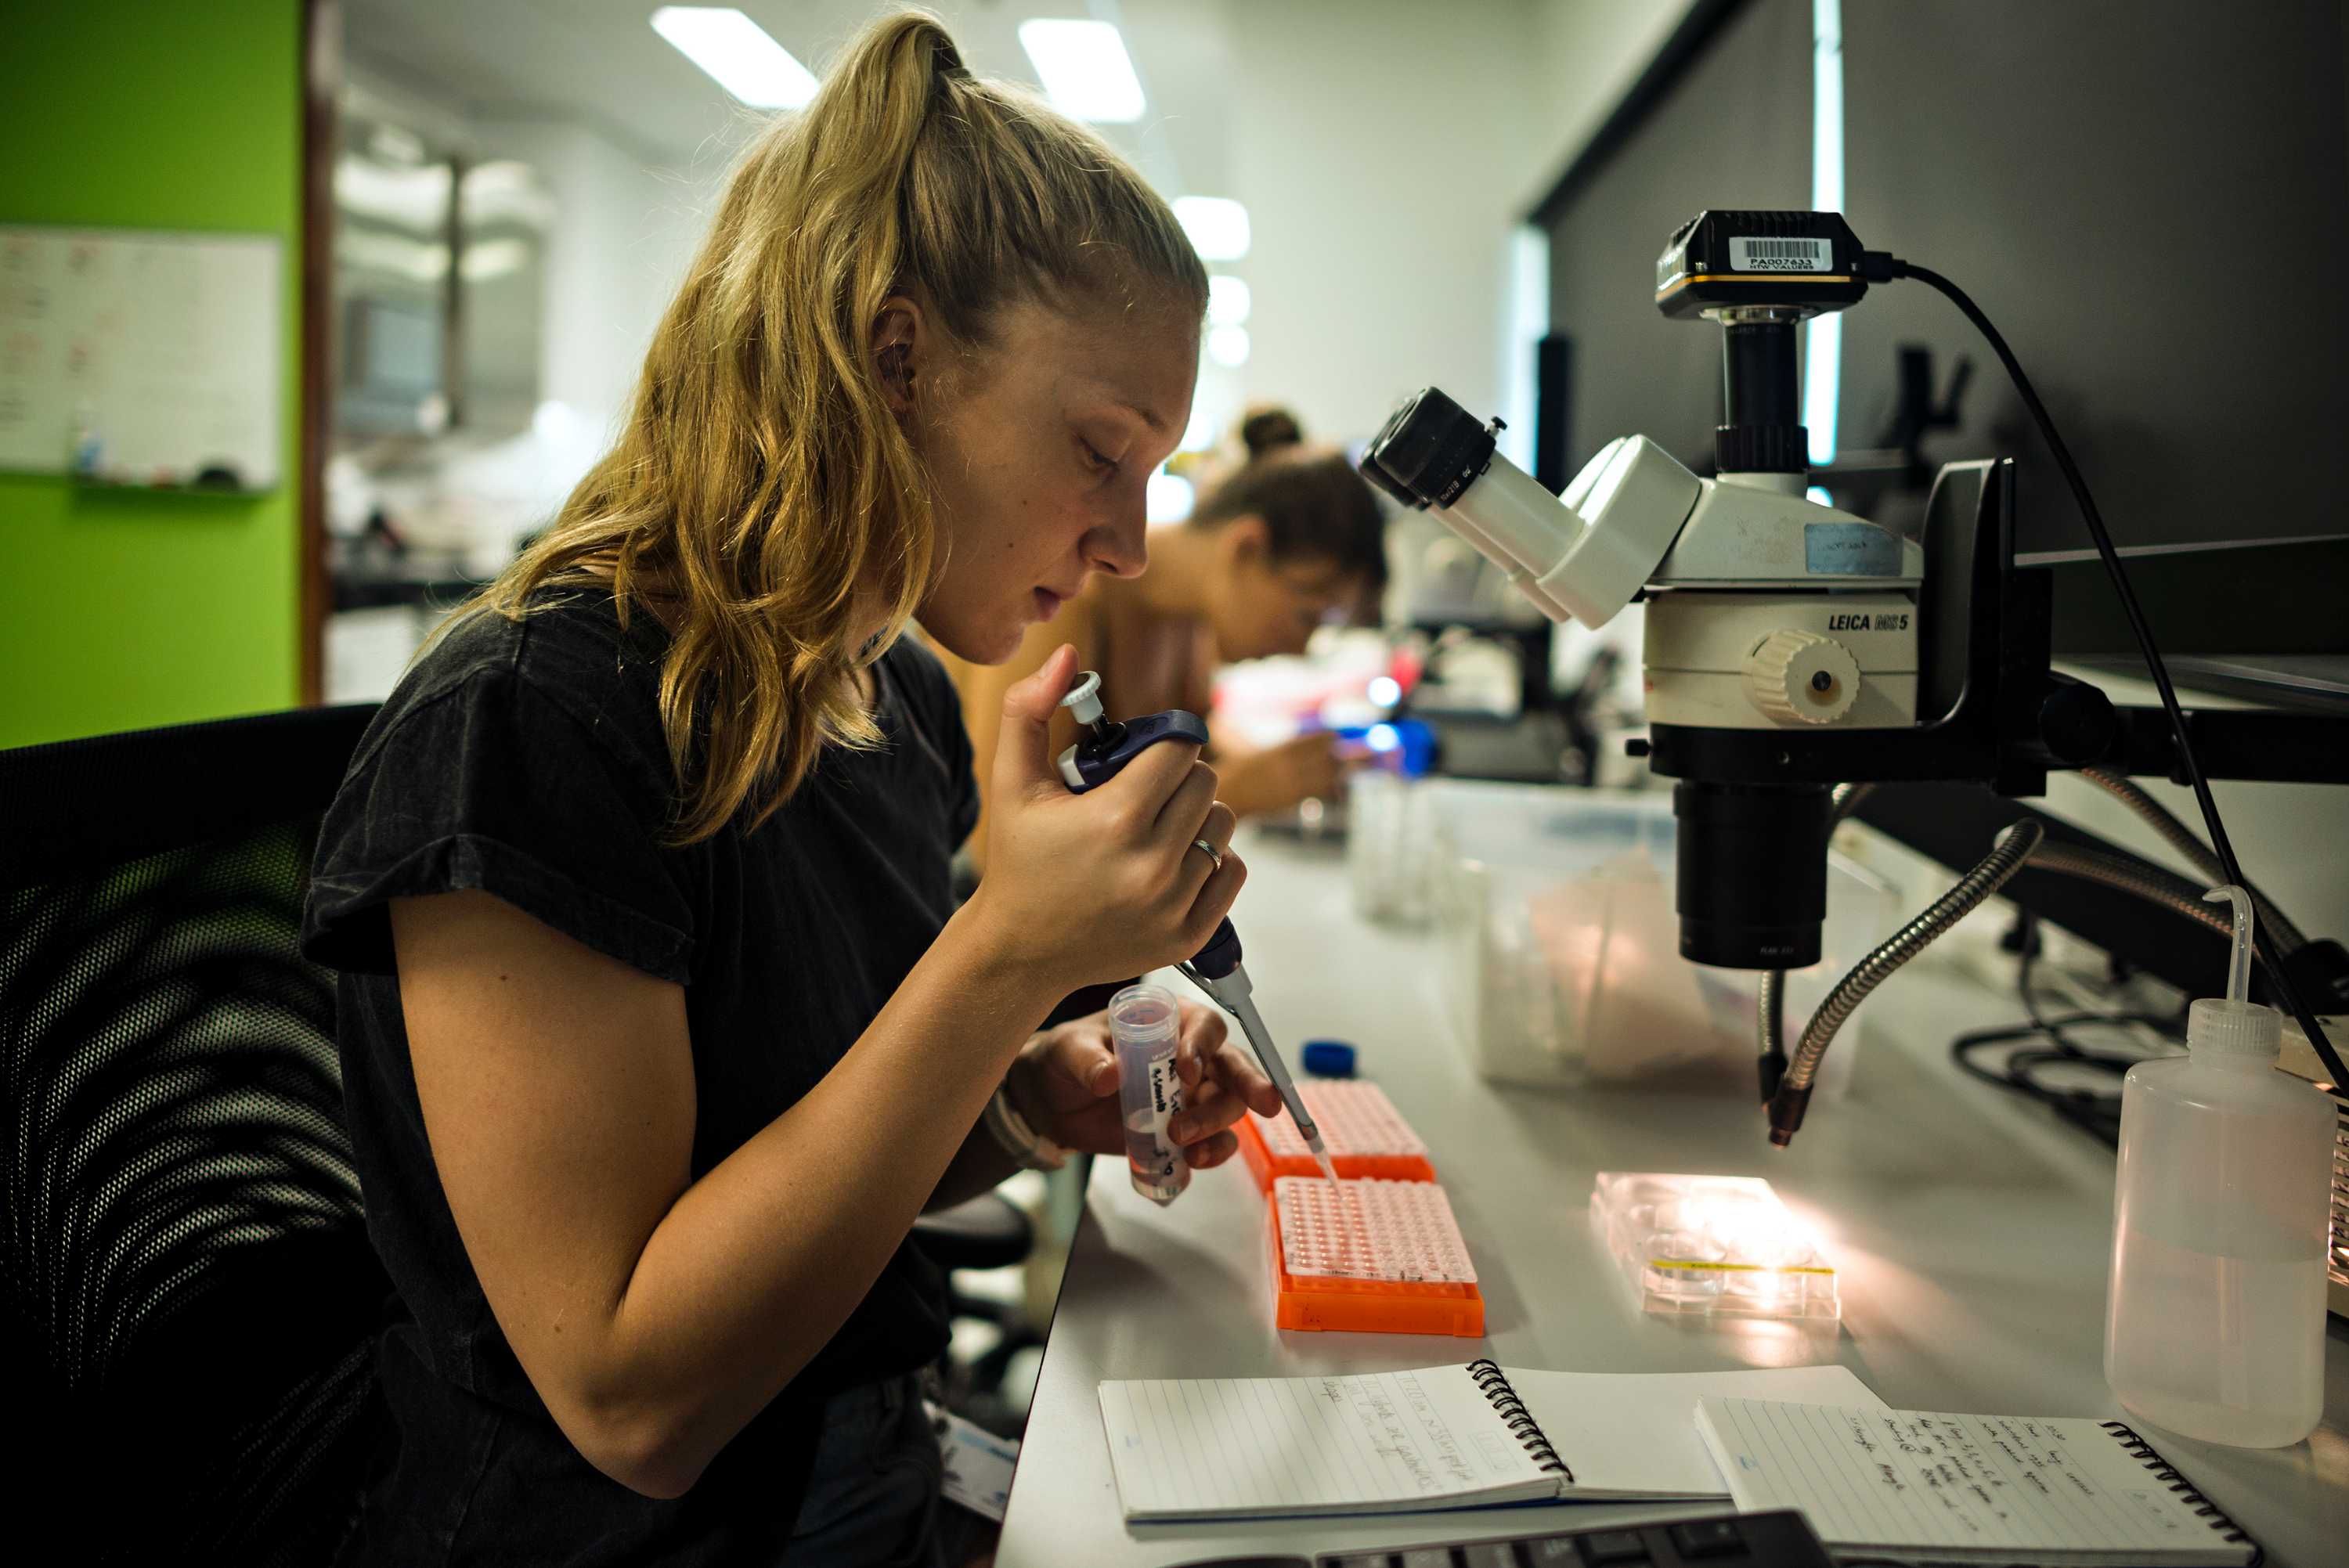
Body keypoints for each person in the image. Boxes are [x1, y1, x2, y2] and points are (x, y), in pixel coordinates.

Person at [298, 15, 1279, 1565]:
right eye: (1100, 449)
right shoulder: (534, 723)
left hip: (859, 1447)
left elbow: (811, 1149)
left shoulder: (877, 695)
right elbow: (632, 1396)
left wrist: (1027, 1096)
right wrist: (1011, 949)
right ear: (899, 360)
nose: (1132, 540)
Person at [940, 406, 1387, 870]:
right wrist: (1241, 789)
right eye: (1307, 614)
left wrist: (1284, 769)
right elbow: (1003, 847)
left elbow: (1187, 748)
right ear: (1246, 548)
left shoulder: (1189, 619)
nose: (1301, 646)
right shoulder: (1069, 598)